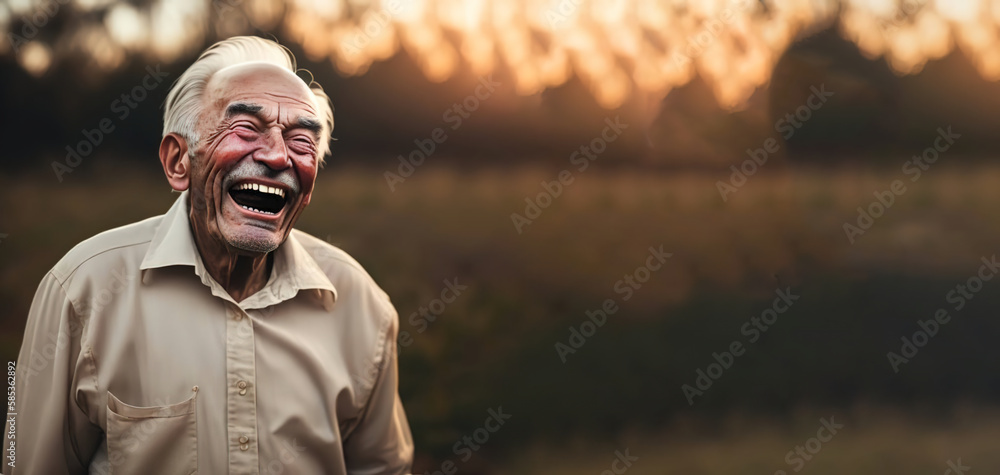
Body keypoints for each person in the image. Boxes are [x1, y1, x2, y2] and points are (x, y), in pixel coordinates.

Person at [3, 36, 413, 474]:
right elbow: (25, 463)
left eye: (300, 140)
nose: (278, 156)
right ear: (179, 161)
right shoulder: (82, 289)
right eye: (246, 130)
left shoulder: (362, 306)